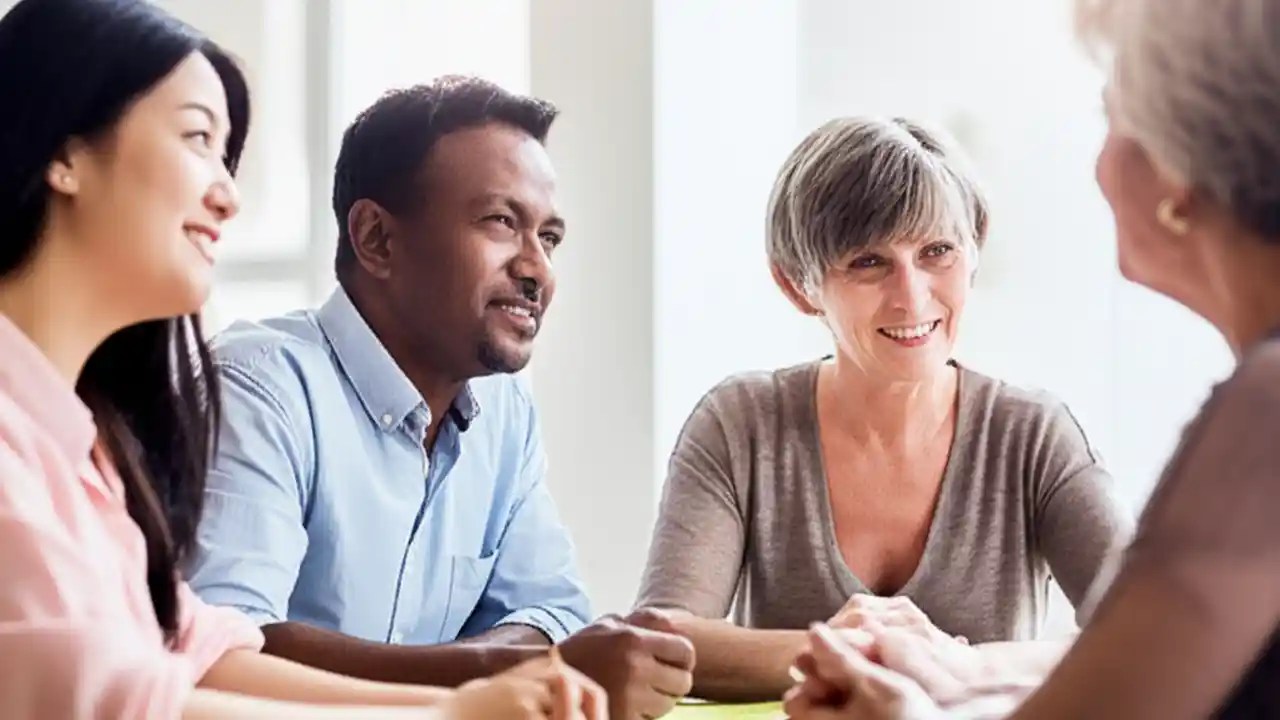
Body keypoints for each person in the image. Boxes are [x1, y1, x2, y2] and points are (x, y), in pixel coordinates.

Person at [0, 1, 607, 718]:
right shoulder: (245, 386)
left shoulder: (85, 453)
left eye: (227, 157)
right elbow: (119, 698)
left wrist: (463, 703)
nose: (227, 195)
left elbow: (201, 656)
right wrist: (450, 710)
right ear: (65, 154)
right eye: (198, 137)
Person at [783, 0, 1280, 717]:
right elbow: (1147, 670)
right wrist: (966, 676)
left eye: (1112, 120)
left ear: (1177, 181)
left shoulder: (1265, 411)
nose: (1099, 161)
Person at [185, 75, 694, 720]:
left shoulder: (505, 416)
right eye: (501, 222)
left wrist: (517, 666)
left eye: (551, 237)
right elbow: (225, 648)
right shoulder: (259, 387)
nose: (537, 268)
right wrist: (502, 674)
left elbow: (551, 611)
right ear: (377, 239)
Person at [635, 116, 1132, 702]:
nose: (912, 295)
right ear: (797, 286)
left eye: (937, 252)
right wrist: (839, 649)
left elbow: (1147, 629)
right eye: (869, 262)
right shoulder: (739, 424)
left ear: (974, 254)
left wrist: (958, 665)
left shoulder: (1033, 434)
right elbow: (658, 643)